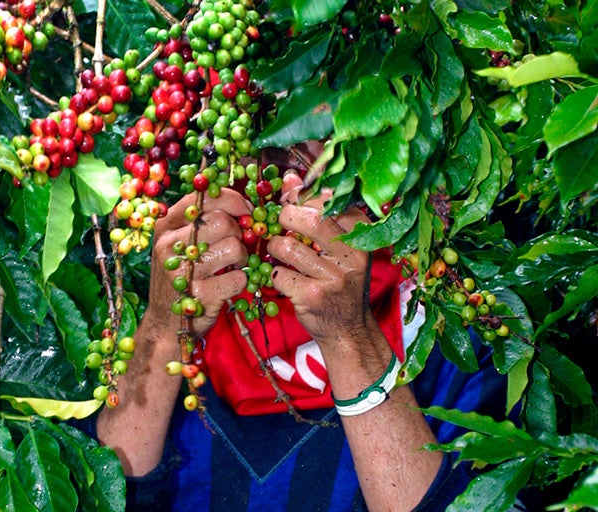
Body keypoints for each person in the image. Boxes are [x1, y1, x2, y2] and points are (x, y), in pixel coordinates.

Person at [93, 153, 511, 511]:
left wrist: (349, 338)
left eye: (326, 141)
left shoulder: (461, 331)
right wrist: (163, 329)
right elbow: (97, 492)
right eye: (275, 152)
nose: (292, 179)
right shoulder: (168, 283)